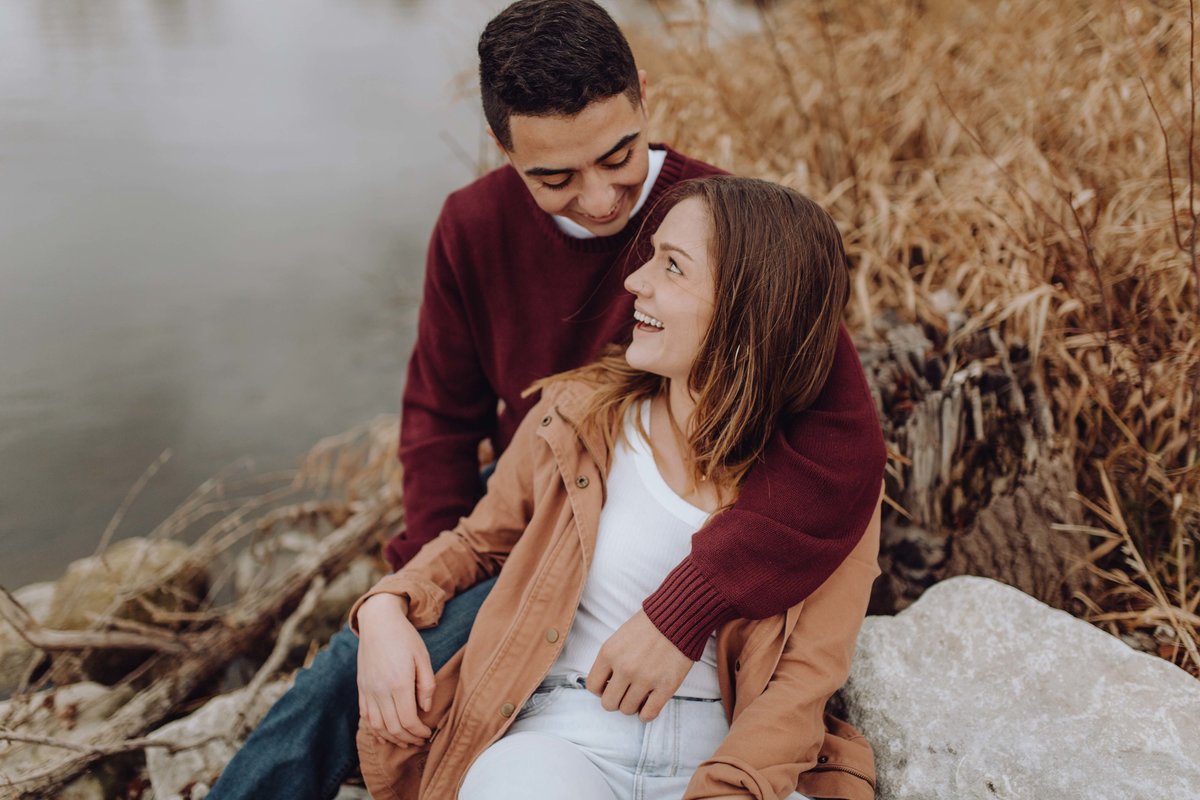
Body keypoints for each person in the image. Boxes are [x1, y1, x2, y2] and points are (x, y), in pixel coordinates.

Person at [209, 2, 885, 798]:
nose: (598, 200)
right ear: (503, 148)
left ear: (643, 95)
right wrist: (424, 594)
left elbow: (844, 442)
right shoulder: (473, 228)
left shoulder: (722, 229)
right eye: (555, 178)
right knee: (351, 675)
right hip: (536, 516)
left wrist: (685, 607)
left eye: (617, 156)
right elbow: (440, 425)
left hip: (689, 540)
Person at [353, 176, 883, 800]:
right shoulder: (578, 418)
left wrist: (731, 787)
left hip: (726, 753)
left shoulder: (828, 485)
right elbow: (478, 543)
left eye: (673, 266)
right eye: (651, 255)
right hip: (564, 737)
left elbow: (804, 677)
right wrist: (387, 605)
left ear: (750, 308)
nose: (635, 281)